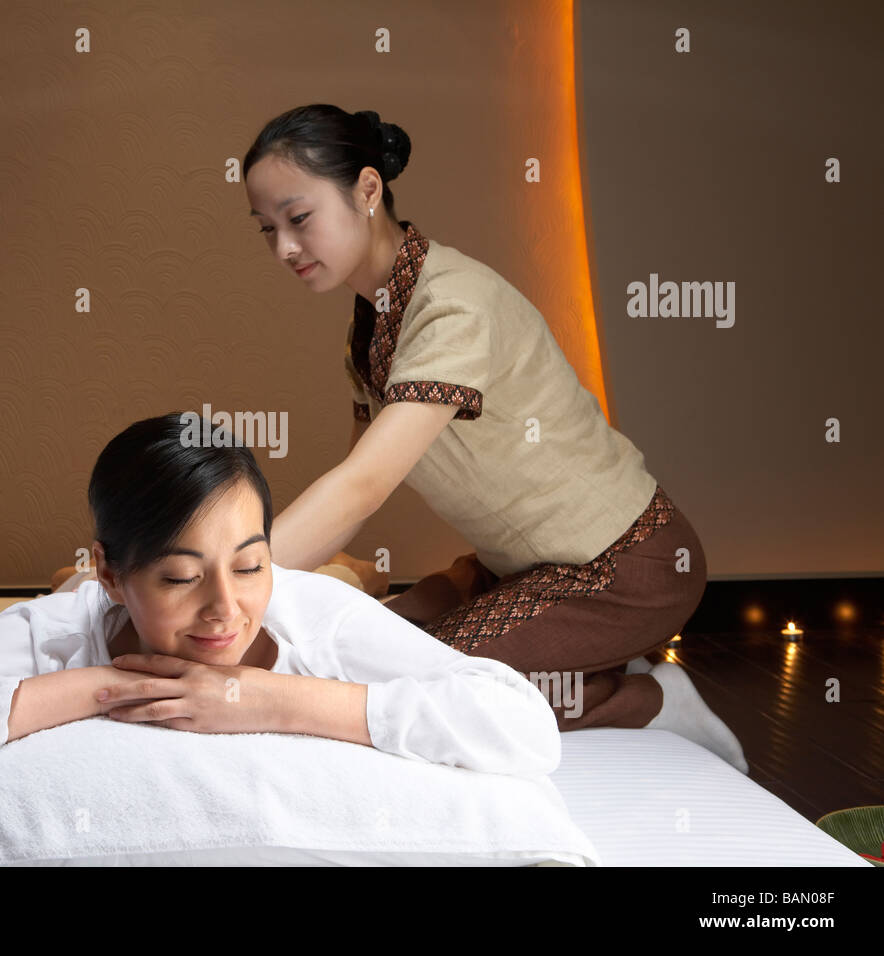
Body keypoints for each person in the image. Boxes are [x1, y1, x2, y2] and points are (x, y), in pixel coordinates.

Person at [241, 104, 747, 774]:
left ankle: (651, 701)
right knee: (369, 647)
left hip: (623, 569)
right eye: (268, 228)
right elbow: (359, 471)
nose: (283, 247)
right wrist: (284, 585)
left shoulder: (453, 305)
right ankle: (588, 654)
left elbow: (364, 485)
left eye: (298, 219)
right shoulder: (370, 326)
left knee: (422, 685)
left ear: (367, 190)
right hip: (519, 570)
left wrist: (237, 582)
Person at [0, 413, 559, 794]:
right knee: (62, 586)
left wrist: (269, 699)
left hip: (322, 590)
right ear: (112, 576)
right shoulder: (64, 626)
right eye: (180, 577)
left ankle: (385, 576)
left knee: (338, 582)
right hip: (86, 592)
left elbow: (524, 728)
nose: (224, 611)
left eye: (249, 563)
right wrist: (105, 686)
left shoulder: (308, 615)